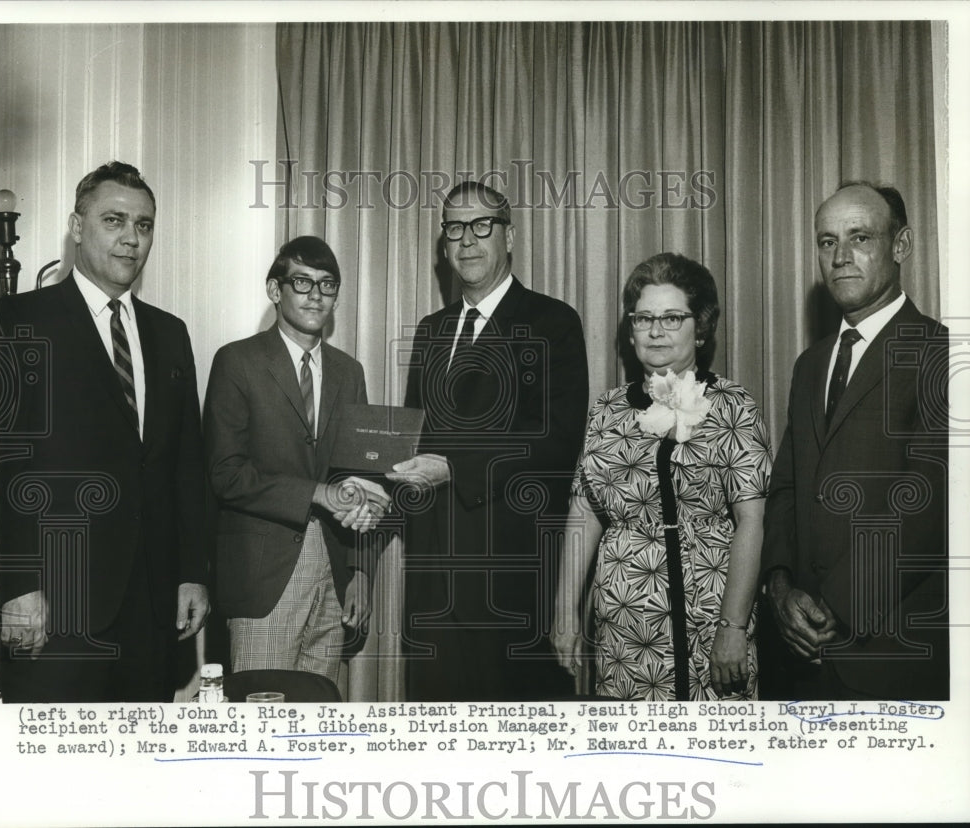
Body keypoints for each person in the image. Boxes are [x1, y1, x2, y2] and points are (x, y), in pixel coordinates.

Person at [0, 161, 210, 702]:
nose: (131, 239)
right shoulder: (18, 323)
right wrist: (18, 585)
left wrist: (192, 573)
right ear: (76, 227)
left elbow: (187, 465)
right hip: (54, 605)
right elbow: (1, 464)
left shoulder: (170, 333)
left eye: (143, 225)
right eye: (114, 220)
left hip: (152, 608)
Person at [387, 181, 589, 701]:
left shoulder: (553, 322)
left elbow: (555, 445)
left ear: (510, 235)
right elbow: (414, 444)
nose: (468, 240)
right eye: (455, 228)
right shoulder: (431, 331)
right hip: (431, 588)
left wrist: (455, 470)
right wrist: (376, 489)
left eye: (482, 226)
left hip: (510, 588)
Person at [553, 253, 771, 701]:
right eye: (644, 318)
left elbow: (752, 521)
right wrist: (563, 614)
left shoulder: (735, 406)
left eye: (672, 318)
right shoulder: (607, 411)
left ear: (702, 327)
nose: (655, 330)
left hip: (715, 627)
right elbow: (585, 514)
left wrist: (733, 625)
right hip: (624, 635)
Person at [761, 182, 948, 700]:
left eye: (859, 237)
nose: (840, 257)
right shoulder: (810, 364)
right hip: (799, 656)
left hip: (889, 654)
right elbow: (786, 488)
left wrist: (835, 608)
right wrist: (778, 587)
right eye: (826, 241)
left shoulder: (942, 354)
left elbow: (931, 507)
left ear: (901, 246)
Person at [203, 236, 388, 684]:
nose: (316, 295)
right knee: (259, 718)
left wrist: (361, 572)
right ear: (275, 290)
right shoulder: (237, 361)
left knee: (317, 714)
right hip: (263, 578)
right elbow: (225, 475)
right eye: (302, 282)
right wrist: (319, 493)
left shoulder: (350, 371)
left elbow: (359, 479)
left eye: (327, 285)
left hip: (334, 576)